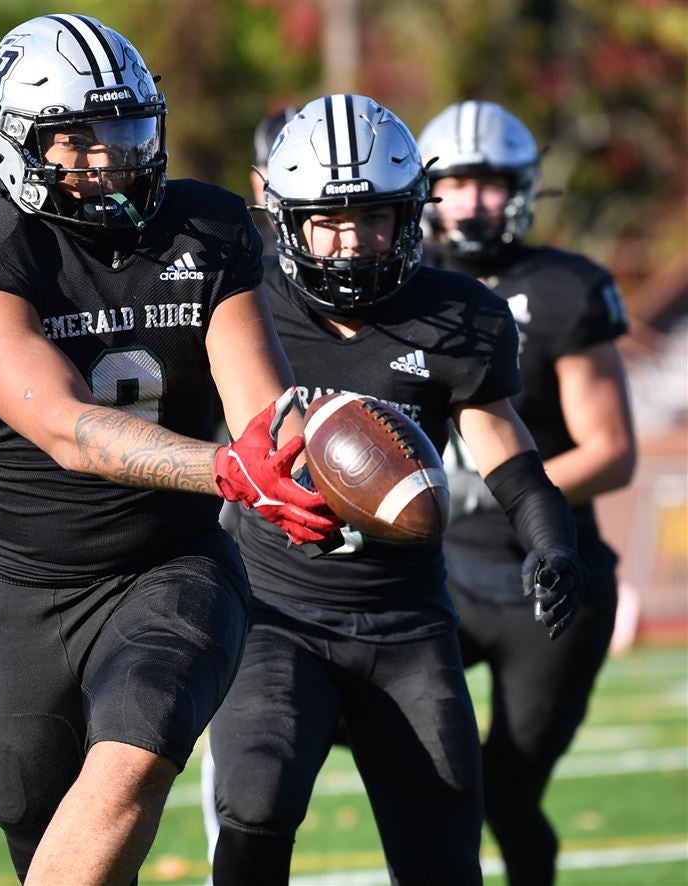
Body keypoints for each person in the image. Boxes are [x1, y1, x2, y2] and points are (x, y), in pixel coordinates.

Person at [0, 14, 342, 884]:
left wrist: (330, 449)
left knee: (131, 761)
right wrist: (222, 467)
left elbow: (264, 409)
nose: (111, 156)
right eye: (78, 137)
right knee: (40, 826)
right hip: (26, 594)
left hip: (172, 568)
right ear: (10, 141)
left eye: (126, 129)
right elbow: (65, 427)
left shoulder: (207, 228)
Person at [203, 94, 590, 886]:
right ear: (283, 219)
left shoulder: (459, 313)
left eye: (374, 217)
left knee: (444, 853)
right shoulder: (244, 301)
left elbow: (509, 456)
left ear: (412, 211)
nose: (351, 244)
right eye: (328, 221)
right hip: (278, 616)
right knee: (255, 805)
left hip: (407, 626)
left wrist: (551, 537)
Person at [419, 100, 636, 886]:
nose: (473, 200)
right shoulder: (409, 283)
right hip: (441, 575)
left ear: (523, 187)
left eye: (491, 182)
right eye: (459, 182)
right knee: (376, 728)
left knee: (506, 793)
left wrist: (488, 489)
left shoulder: (562, 286)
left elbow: (611, 451)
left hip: (547, 584)